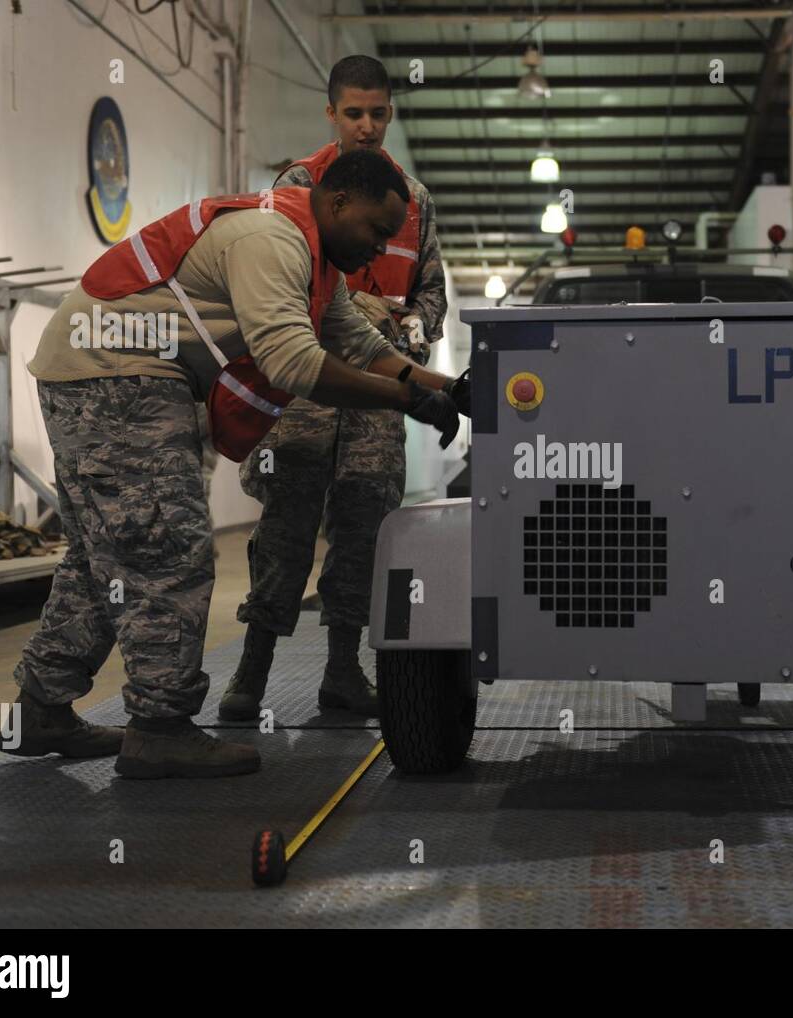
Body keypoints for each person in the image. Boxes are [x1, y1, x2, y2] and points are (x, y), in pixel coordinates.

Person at [0, 148, 467, 779]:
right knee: (166, 546)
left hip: (106, 372)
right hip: (114, 372)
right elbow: (295, 365)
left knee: (101, 556)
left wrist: (446, 388)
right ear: (338, 203)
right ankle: (160, 730)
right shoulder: (273, 239)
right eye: (377, 232)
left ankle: (41, 710)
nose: (381, 251)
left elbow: (356, 344)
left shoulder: (315, 257)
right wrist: (411, 400)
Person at [222, 55, 446, 721]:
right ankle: (251, 674)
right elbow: (287, 281)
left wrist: (412, 325)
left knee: (365, 524)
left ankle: (343, 670)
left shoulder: (417, 201)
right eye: (354, 113)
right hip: (308, 383)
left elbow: (431, 291)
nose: (367, 126)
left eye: (378, 113)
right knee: (286, 521)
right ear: (332, 114)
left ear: (390, 113)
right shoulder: (301, 184)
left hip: (378, 390)